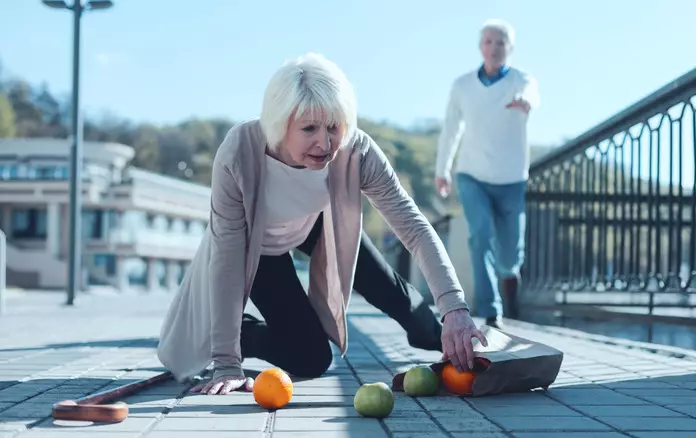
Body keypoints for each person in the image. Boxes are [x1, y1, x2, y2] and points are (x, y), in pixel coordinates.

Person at [156, 52, 487, 395]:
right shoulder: (239, 152)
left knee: (392, 290)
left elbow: (415, 229)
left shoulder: (357, 150)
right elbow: (227, 257)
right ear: (280, 123)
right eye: (309, 129)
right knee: (310, 358)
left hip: (316, 223)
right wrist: (227, 361)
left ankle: (451, 341)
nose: (325, 143)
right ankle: (239, 333)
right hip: (257, 245)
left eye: (333, 127)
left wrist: (454, 309)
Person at [435, 19, 540, 328]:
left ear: (510, 49)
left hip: (511, 178)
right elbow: (451, 129)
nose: (495, 48)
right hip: (472, 175)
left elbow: (532, 94)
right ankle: (491, 311)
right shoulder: (462, 85)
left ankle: (510, 283)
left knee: (510, 256)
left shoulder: (522, 80)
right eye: (489, 42)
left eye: (501, 43)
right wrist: (443, 170)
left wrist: (526, 102)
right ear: (481, 46)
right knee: (479, 237)